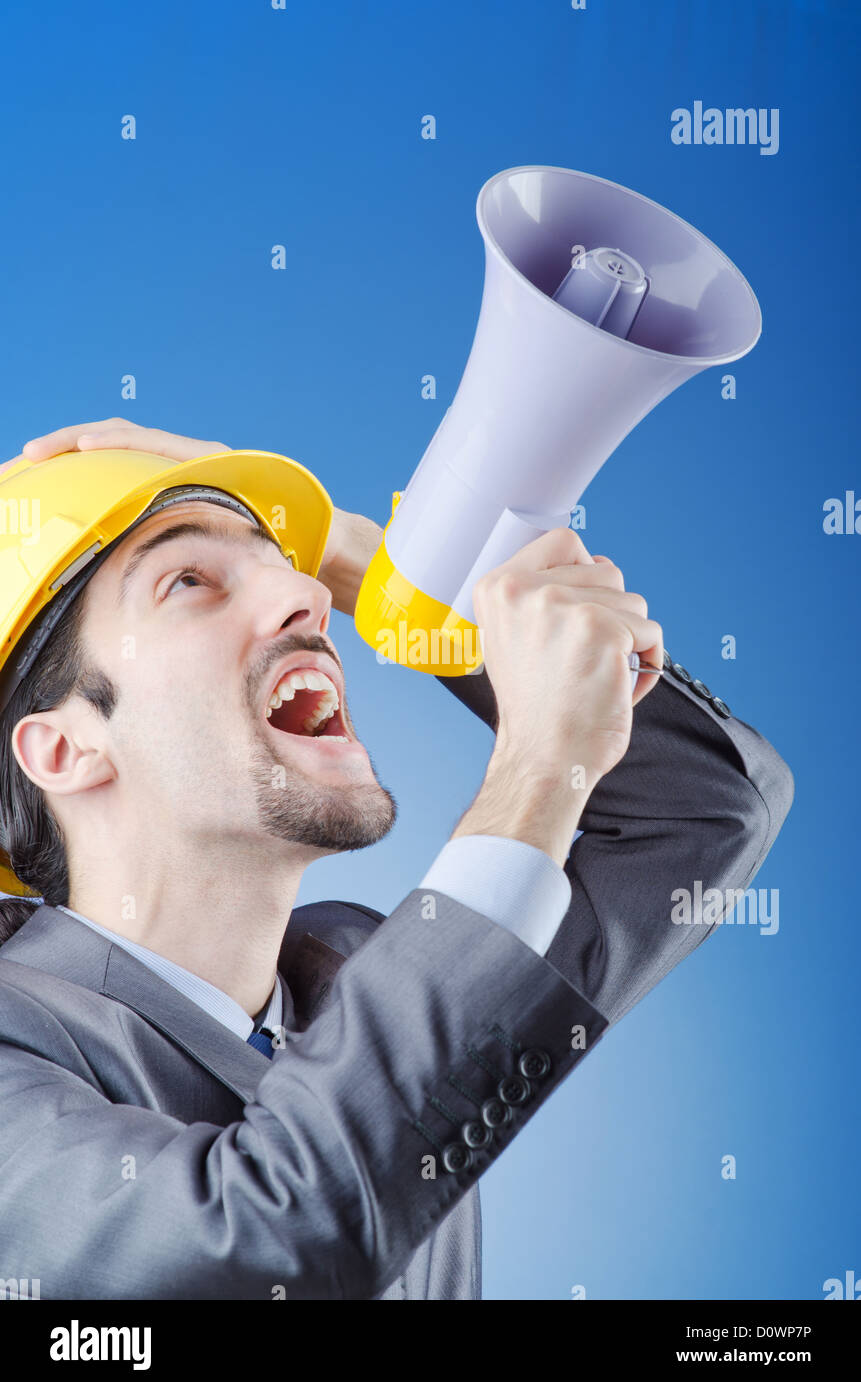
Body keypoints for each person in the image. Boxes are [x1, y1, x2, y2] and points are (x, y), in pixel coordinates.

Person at [0, 419, 793, 1301]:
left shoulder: (354, 968)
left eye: (284, 569)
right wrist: (534, 768)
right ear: (64, 750)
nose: (302, 596)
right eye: (188, 580)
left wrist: (386, 572)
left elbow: (704, 806)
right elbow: (261, 1243)